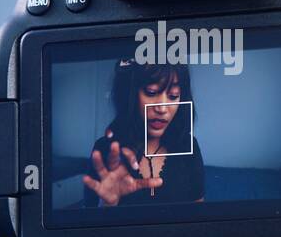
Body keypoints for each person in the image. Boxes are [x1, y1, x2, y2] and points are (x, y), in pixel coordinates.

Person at [82, 60, 204, 207]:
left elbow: (198, 218)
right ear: (130, 94)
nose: (162, 108)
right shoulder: (104, 150)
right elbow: (91, 226)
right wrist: (107, 204)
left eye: (173, 96)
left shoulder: (187, 146)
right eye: (151, 92)